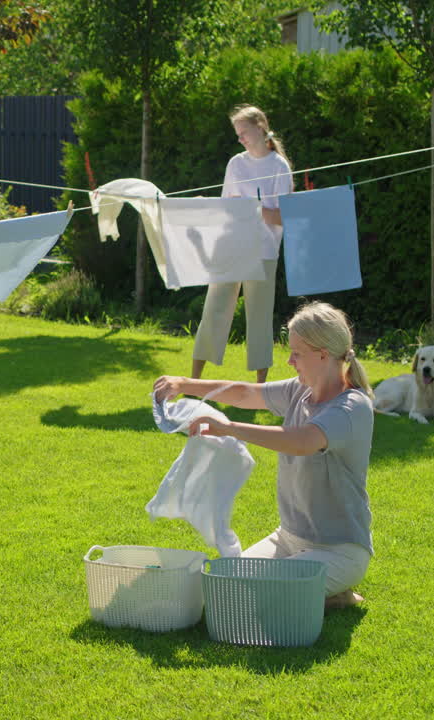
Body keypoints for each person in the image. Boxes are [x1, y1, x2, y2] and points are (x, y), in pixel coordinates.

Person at [154, 301, 374, 610]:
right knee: (224, 586)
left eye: (297, 353)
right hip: (288, 538)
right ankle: (322, 591)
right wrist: (185, 384)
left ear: (323, 355)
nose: (289, 360)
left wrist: (229, 427)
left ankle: (331, 590)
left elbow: (303, 441)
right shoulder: (301, 390)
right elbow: (246, 393)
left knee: (252, 597)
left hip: (341, 551)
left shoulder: (352, 408)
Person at [192, 104, 294, 383]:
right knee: (213, 311)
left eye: (243, 132)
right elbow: (228, 206)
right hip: (231, 246)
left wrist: (253, 208)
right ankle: (194, 382)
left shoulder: (279, 167)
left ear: (260, 127)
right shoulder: (236, 164)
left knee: (259, 318)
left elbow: (284, 217)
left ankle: (260, 387)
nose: (240, 139)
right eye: (237, 134)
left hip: (263, 252)